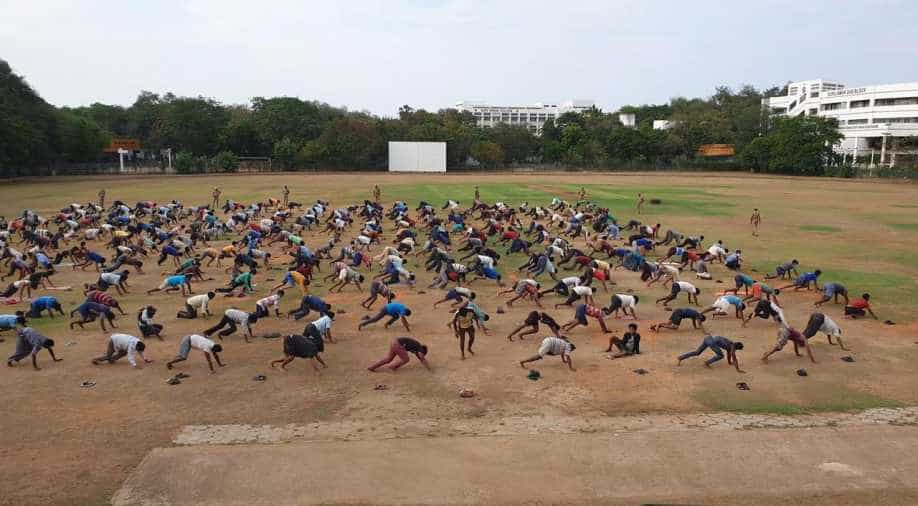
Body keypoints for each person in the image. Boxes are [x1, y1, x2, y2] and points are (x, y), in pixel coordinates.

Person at [677, 335, 745, 373]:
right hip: (712, 342)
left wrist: (729, 362)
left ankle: (681, 357)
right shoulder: (732, 348)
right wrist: (738, 369)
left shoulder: (730, 343)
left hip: (708, 338)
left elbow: (729, 354)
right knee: (721, 355)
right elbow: (734, 358)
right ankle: (706, 363)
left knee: (697, 352)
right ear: (737, 348)